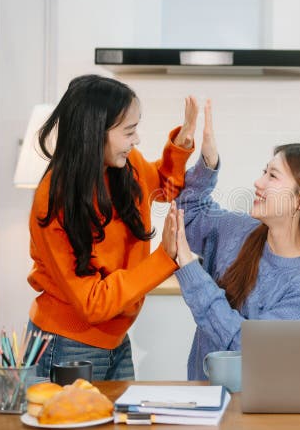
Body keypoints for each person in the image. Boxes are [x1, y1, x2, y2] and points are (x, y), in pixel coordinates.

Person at [163, 100, 300, 380]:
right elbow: (189, 213)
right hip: (205, 401)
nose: (258, 182)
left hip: (266, 416)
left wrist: (190, 270)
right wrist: (208, 163)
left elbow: (250, 349)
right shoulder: (240, 231)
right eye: (264, 172)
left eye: (272, 176)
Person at [25, 74, 198, 381]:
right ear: (94, 134)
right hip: (67, 346)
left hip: (116, 341)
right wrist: (164, 257)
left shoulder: (126, 166)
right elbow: (92, 304)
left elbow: (162, 186)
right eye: (129, 131)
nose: (137, 140)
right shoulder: (54, 201)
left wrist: (182, 142)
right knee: (75, 429)